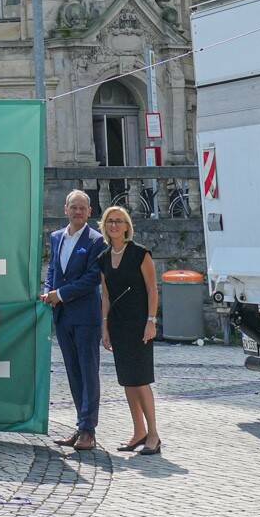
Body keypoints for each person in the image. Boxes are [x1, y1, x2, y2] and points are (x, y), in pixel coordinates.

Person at [41, 188, 107, 452]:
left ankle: (88, 430)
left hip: (85, 315)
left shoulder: (96, 241)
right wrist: (48, 291)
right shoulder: (57, 237)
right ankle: (80, 426)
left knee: (88, 372)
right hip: (63, 316)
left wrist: (61, 294)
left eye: (82, 208)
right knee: (72, 371)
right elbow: (54, 270)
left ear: (89, 212)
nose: (78, 212)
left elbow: (92, 278)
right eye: (73, 207)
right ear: (65, 209)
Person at [100, 203, 162, 456]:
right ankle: (138, 432)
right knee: (127, 380)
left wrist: (151, 320)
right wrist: (104, 326)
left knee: (141, 379)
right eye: (109, 221)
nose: (114, 225)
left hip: (139, 322)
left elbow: (152, 289)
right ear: (104, 227)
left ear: (127, 226)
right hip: (118, 324)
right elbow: (105, 294)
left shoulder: (140, 253)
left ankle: (154, 435)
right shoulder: (102, 258)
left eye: (118, 221)